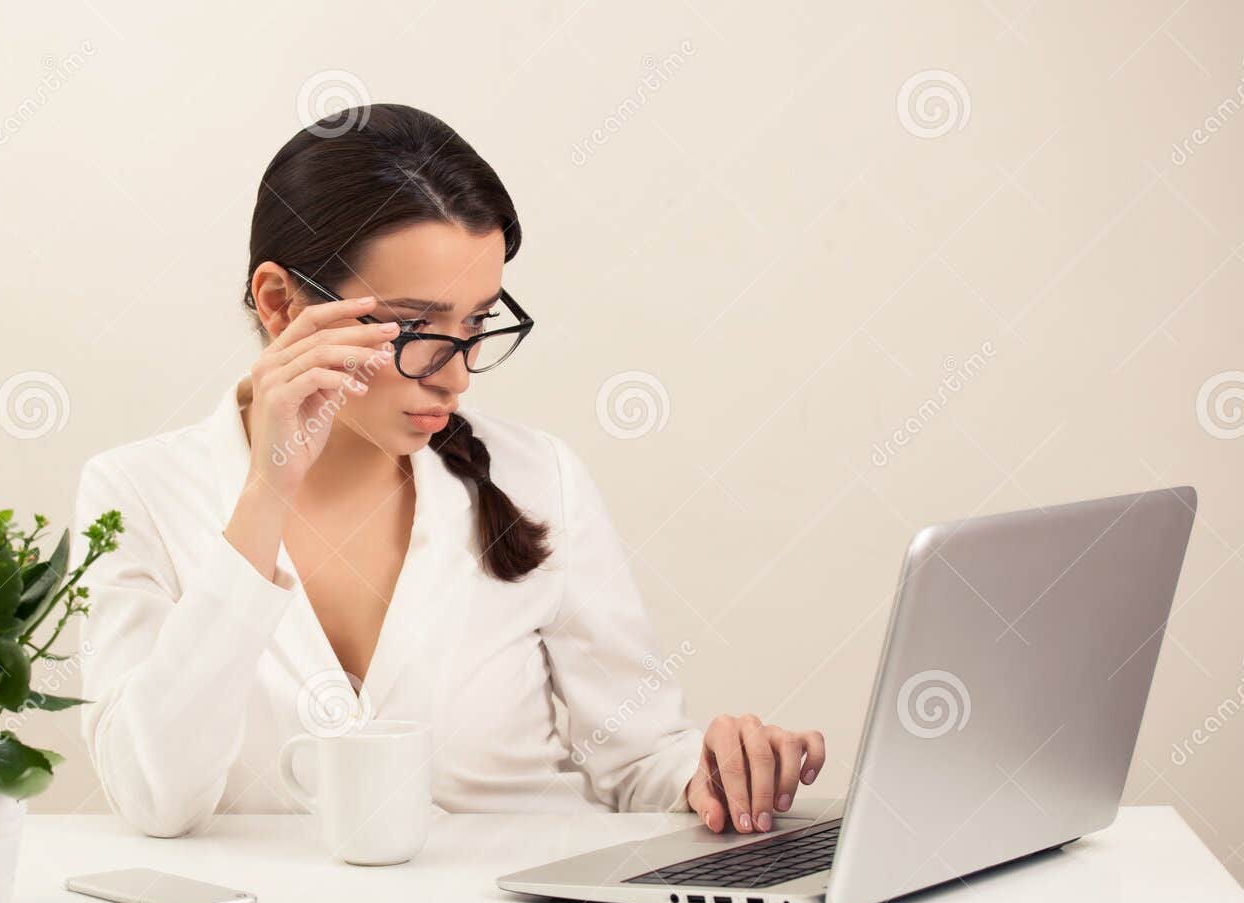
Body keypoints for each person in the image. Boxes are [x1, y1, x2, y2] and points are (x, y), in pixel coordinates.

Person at [74, 103, 824, 838]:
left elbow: (640, 759)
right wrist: (268, 491)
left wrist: (715, 774)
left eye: (476, 322)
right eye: (412, 325)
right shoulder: (135, 493)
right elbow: (154, 797)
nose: (456, 376)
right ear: (280, 303)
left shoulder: (540, 476)